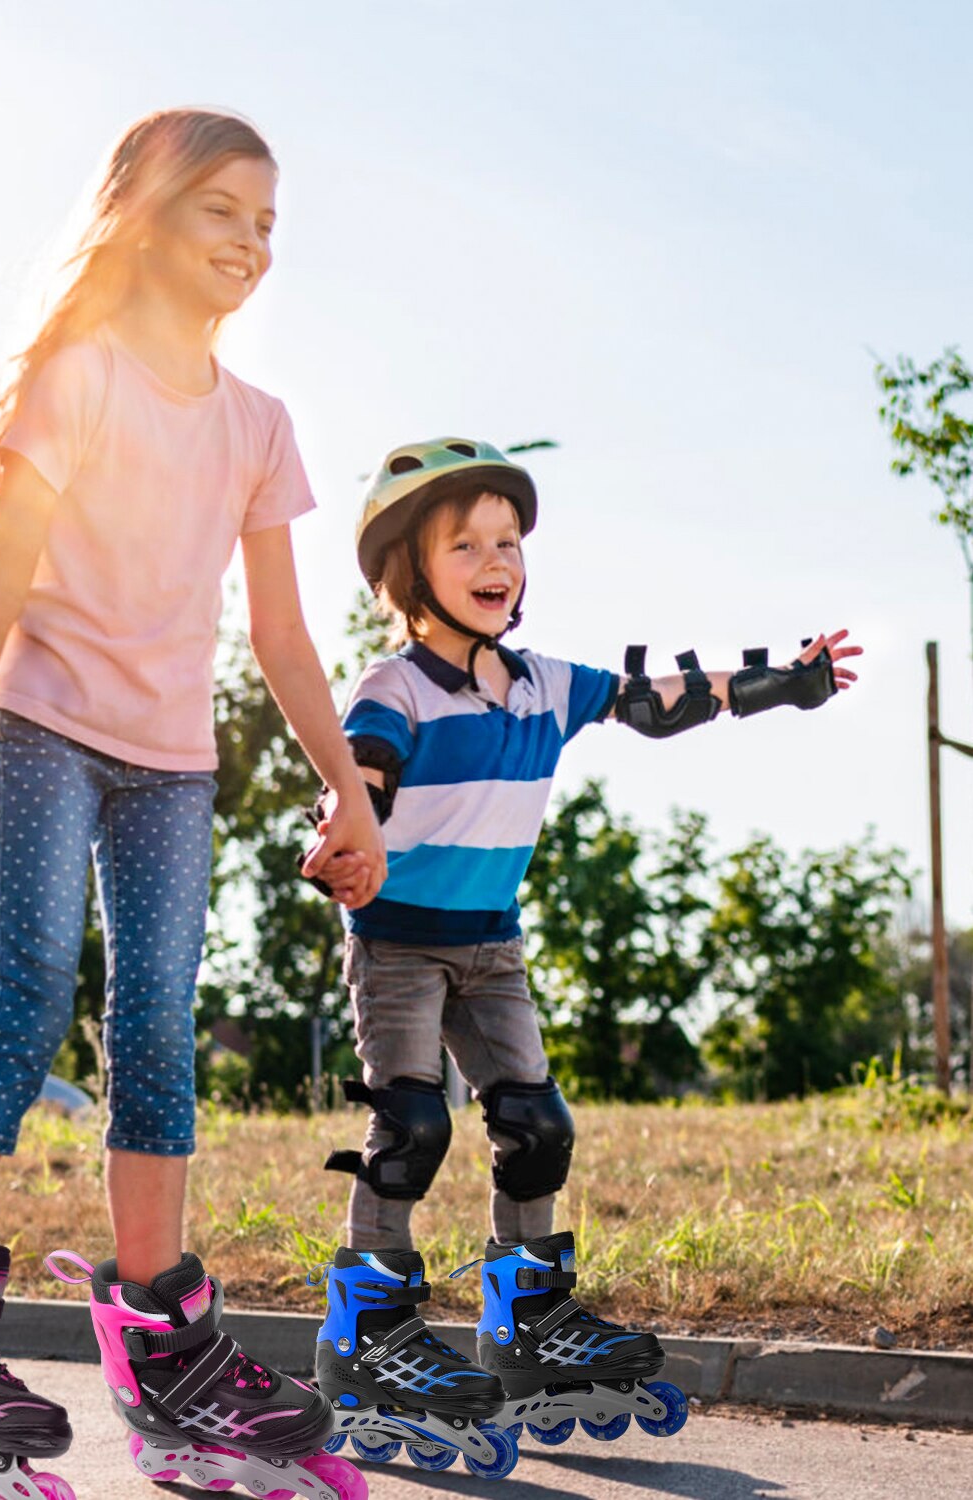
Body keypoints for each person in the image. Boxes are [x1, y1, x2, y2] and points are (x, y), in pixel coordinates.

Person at [0, 109, 379, 1500]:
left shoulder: (260, 426)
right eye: (224, 211)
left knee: (157, 1020)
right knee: (25, 995)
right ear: (149, 218)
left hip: (174, 763)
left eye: (268, 222)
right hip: (42, 729)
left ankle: (161, 1341)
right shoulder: (77, 380)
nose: (251, 242)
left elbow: (280, 639)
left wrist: (351, 792)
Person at [308, 436, 858, 1457]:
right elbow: (362, 777)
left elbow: (654, 703)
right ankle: (368, 1335)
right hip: (397, 947)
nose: (495, 562)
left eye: (508, 542)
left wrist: (787, 680)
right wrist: (347, 839)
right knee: (413, 1131)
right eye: (465, 544)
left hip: (492, 947)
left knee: (537, 1126)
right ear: (404, 572)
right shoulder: (396, 686)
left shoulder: (542, 683)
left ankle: (529, 1323)